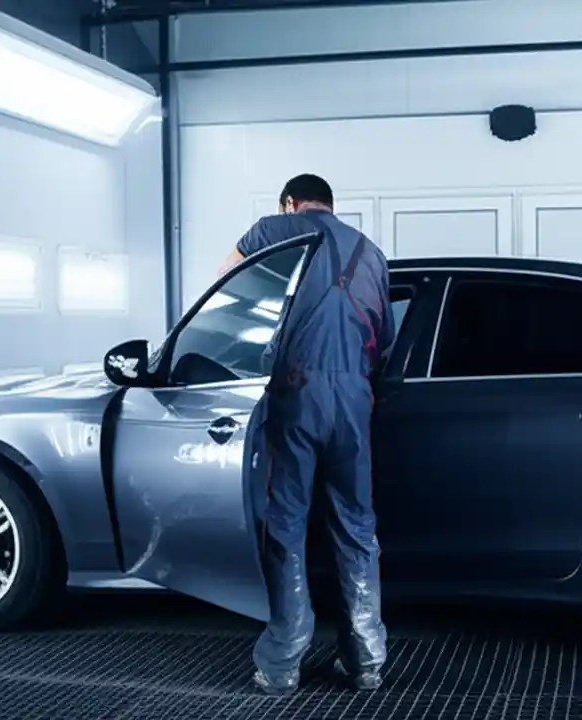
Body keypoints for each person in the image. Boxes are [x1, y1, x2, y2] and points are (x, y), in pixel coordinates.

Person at [223, 174, 394, 695]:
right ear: (332, 205)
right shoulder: (372, 253)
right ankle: (366, 660)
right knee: (356, 525)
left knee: (286, 523)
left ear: (290, 202)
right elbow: (384, 339)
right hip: (355, 397)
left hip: (294, 392)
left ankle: (282, 662)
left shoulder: (273, 230)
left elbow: (228, 295)